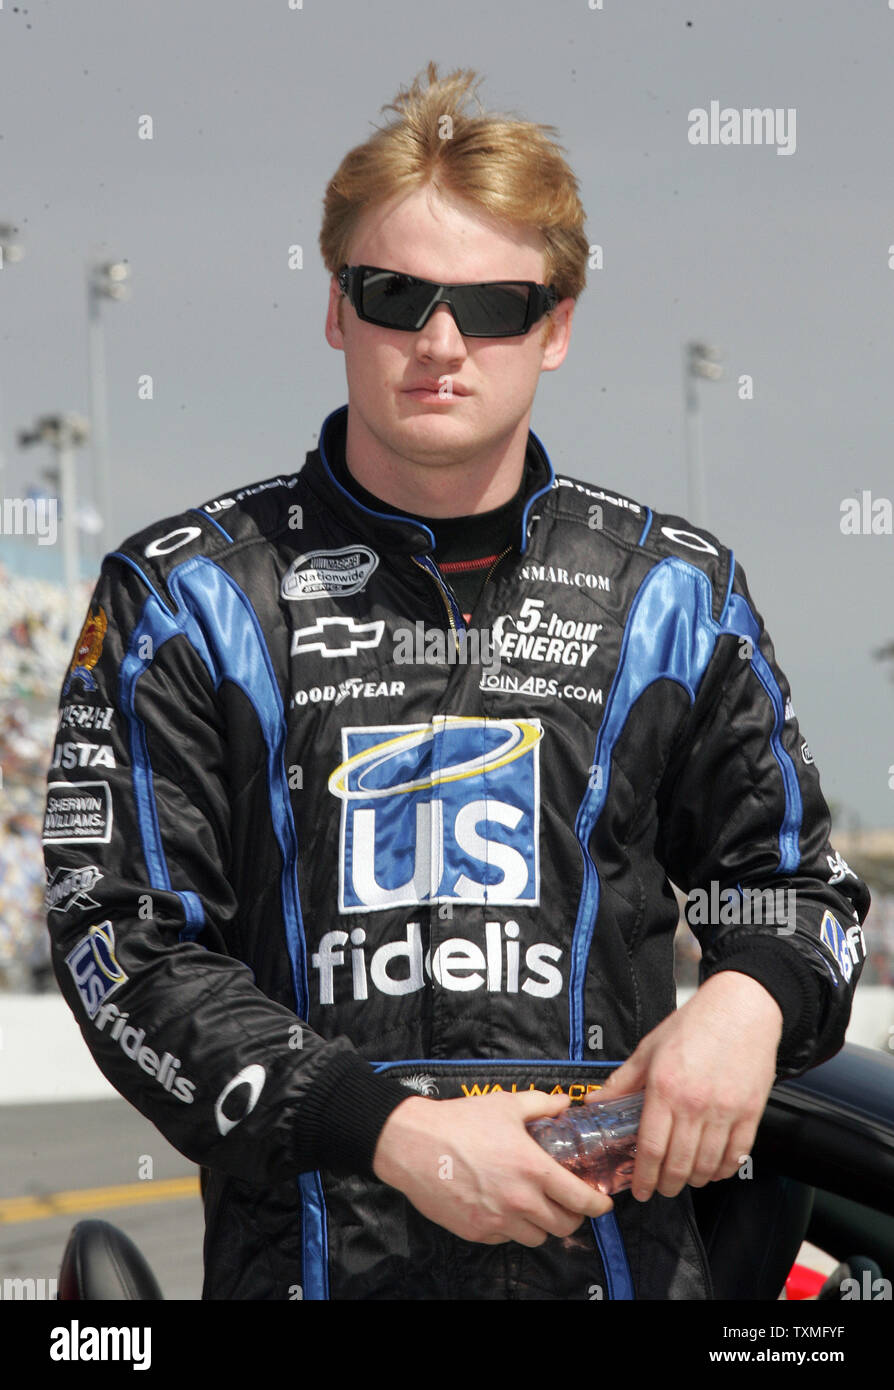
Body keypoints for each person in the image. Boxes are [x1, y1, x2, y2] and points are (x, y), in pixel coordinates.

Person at [43, 61, 870, 1301]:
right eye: (397, 295)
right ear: (337, 311)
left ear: (558, 325)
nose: (441, 343)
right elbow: (120, 941)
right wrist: (394, 1132)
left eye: (492, 306)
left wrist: (744, 1007)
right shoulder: (185, 596)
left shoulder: (673, 592)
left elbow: (799, 890)